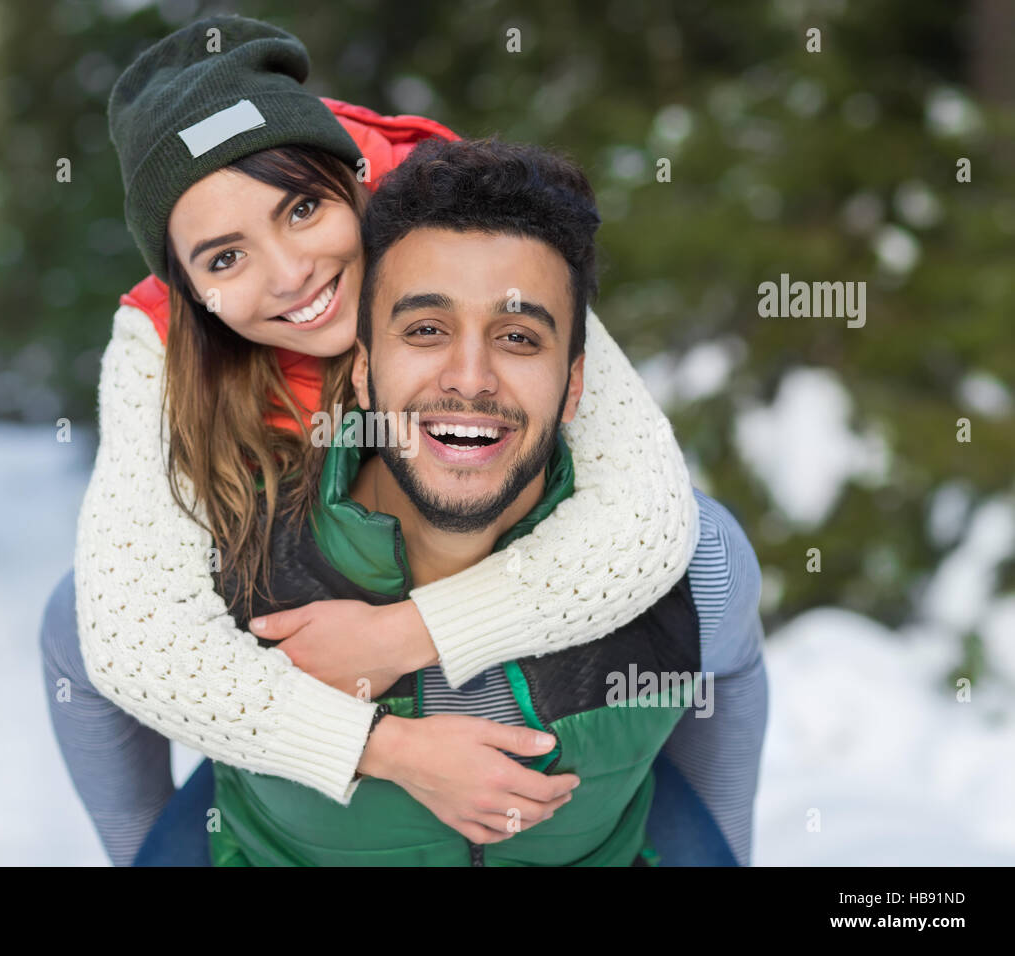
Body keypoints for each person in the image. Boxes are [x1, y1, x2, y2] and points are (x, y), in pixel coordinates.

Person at [40, 14, 763, 865]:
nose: (290, 272)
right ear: (188, 289)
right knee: (83, 605)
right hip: (307, 593)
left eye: (302, 209)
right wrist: (378, 747)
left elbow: (645, 518)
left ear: (355, 184)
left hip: (501, 605)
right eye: (226, 258)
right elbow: (132, 639)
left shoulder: (464, 235)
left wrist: (401, 638)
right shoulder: (160, 350)